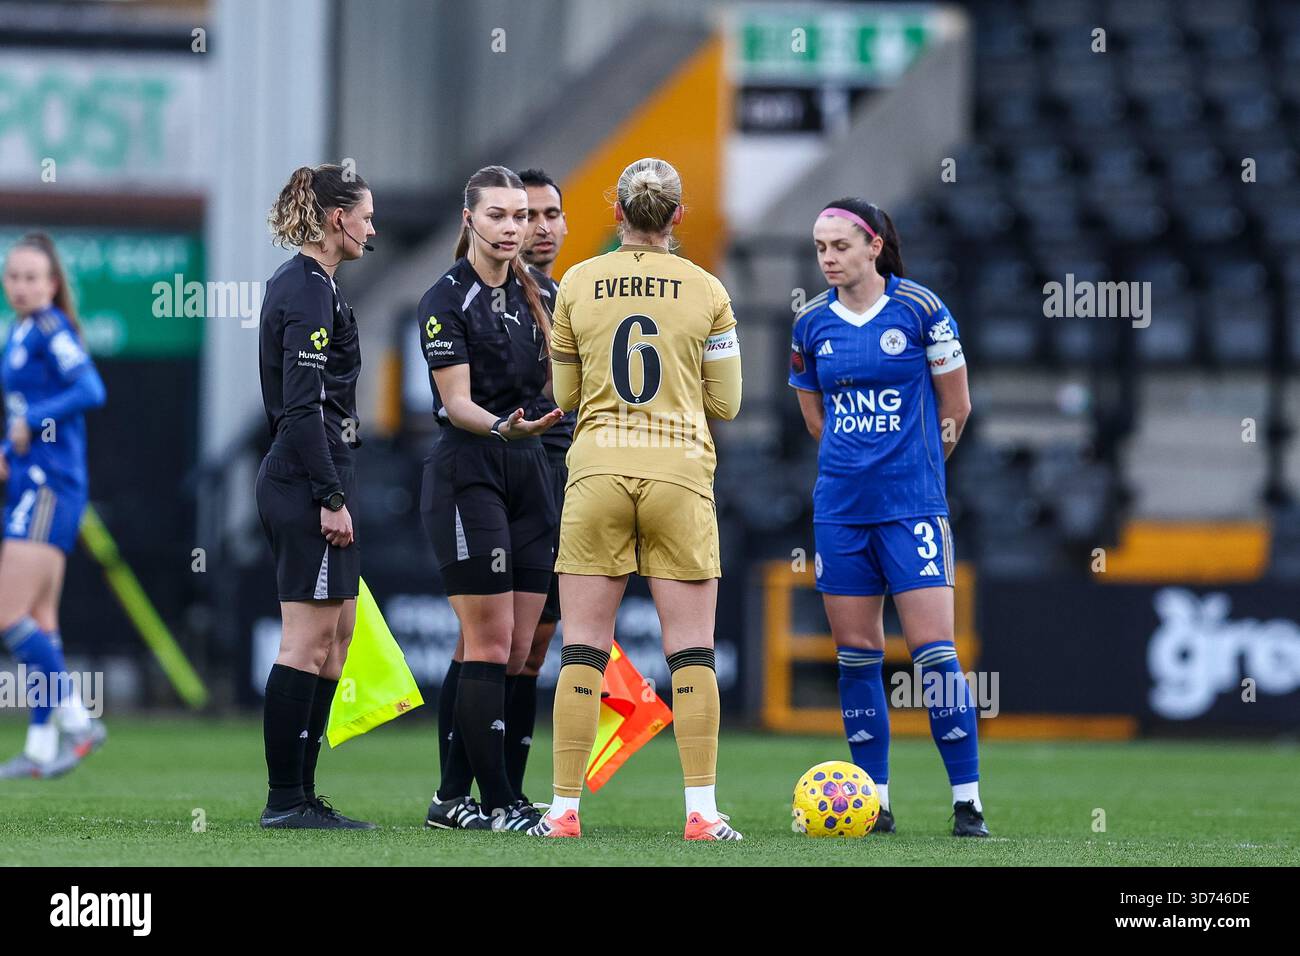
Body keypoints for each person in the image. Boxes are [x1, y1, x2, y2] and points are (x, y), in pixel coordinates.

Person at [528, 157, 743, 840]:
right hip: (679, 471)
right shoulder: (707, 288)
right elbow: (729, 403)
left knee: (583, 650)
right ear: (678, 216)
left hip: (595, 471)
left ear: (615, 211)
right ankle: (702, 813)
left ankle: (563, 810)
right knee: (693, 653)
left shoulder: (577, 284)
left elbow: (562, 399)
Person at [788, 198, 986, 837]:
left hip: (913, 511)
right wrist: (858, 464)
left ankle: (967, 801)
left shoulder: (922, 310)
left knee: (934, 655)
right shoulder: (810, 324)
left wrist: (916, 464)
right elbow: (815, 417)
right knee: (857, 655)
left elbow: (956, 405)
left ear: (874, 246)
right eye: (820, 248)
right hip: (842, 513)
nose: (827, 258)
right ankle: (875, 801)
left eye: (840, 246)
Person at [418, 165, 563, 833]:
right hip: (470, 471)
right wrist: (507, 425)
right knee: (488, 640)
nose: (516, 227)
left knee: (524, 648)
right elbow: (457, 404)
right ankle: (497, 802)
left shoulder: (544, 298)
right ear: (469, 219)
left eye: (523, 217)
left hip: (530, 471)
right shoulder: (445, 298)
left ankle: (456, 800)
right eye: (500, 215)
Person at [255, 163, 377, 830]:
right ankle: (285, 799)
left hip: (319, 472)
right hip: (306, 478)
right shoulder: (304, 290)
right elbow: (301, 411)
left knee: (335, 638)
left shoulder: (316, 287)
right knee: (305, 643)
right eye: (364, 215)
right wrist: (330, 494)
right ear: (336, 219)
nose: (372, 228)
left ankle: (302, 794)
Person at [0, 233, 107, 779]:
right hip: (30, 483)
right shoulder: (17, 332)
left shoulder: (50, 328)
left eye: (31, 277)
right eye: (13, 276)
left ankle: (78, 720)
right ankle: (42, 748)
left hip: (50, 487)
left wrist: (30, 419)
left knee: (6, 615)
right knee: (42, 621)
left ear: (52, 284)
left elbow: (91, 389)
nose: (20, 286)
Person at [501, 166, 571, 801]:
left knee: (535, 647)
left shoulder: (565, 294)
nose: (540, 227)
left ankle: (511, 793)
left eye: (551, 214)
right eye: (527, 215)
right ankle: (465, 792)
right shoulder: (488, 297)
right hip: (510, 475)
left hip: (563, 475)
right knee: (496, 644)